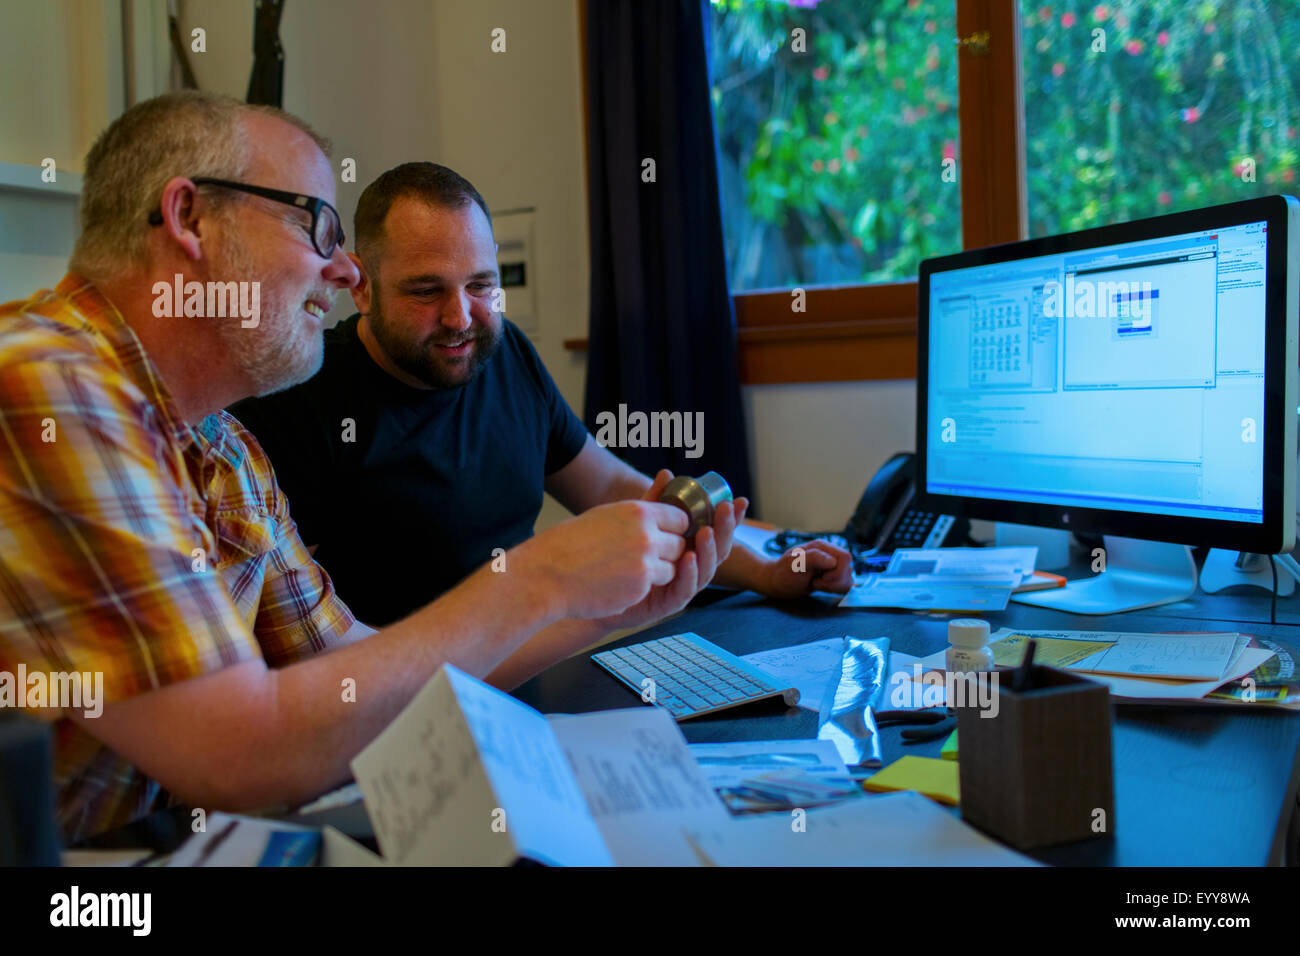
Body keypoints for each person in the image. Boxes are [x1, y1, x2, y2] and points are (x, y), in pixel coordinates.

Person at [0, 92, 740, 843]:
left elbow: (359, 673)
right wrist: (538, 576)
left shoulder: (221, 445)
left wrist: (602, 609)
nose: (345, 267)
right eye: (315, 223)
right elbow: (239, 753)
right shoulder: (46, 389)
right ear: (190, 218)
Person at [232, 161, 853, 627]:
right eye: (426, 292)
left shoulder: (504, 355)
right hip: (402, 711)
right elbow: (302, 646)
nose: (461, 317)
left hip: (535, 670)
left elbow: (611, 488)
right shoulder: (297, 402)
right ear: (361, 286)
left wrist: (770, 572)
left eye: (481, 285)